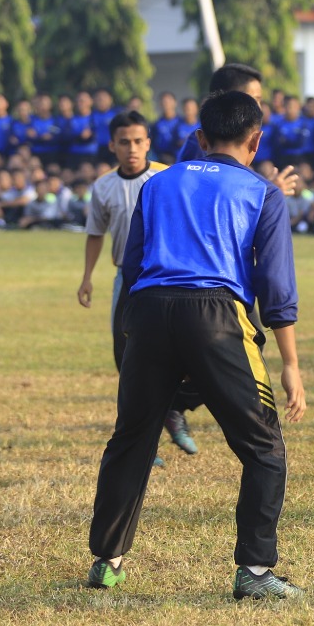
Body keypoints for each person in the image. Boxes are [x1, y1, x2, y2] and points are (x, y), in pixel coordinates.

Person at [85, 90, 306, 601]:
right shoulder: (262, 193)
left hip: (147, 310)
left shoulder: (157, 184)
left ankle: (107, 560)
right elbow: (276, 285)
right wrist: (291, 363)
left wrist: (138, 331)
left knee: (132, 437)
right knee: (264, 447)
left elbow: (133, 264)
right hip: (215, 316)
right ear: (256, 141)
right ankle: (254, 570)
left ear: (200, 138)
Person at [77, 110, 199, 463]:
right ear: (112, 146)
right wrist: (87, 276)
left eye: (138, 141)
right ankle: (146, 440)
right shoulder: (103, 186)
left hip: (164, 276)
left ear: (148, 143)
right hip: (126, 280)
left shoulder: (167, 177)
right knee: (127, 358)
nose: (131, 148)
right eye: (124, 142)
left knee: (183, 353)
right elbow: (95, 234)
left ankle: (173, 410)